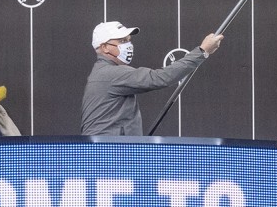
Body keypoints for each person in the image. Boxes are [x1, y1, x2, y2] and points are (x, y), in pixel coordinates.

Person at [81, 20, 222, 136]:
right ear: (105, 47)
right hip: (108, 153)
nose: (128, 45)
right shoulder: (109, 73)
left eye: (129, 40)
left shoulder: (104, 72)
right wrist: (202, 51)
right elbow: (161, 78)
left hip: (109, 150)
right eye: (122, 41)